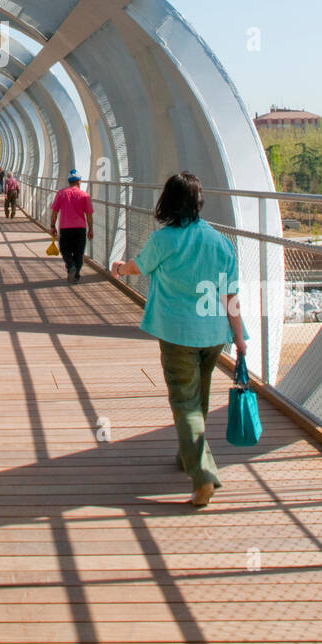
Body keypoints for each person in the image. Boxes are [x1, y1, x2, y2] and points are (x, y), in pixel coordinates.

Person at [111, 171, 247, 509]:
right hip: (214, 334)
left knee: (184, 402)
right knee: (198, 397)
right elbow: (231, 295)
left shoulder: (164, 240)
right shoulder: (220, 242)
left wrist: (117, 268)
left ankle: (202, 476)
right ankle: (187, 455)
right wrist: (239, 336)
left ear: (168, 203)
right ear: (198, 203)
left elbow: (138, 267)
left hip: (177, 333)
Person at [50, 168, 94, 284]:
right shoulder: (85, 195)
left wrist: (52, 226)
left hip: (65, 228)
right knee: (79, 253)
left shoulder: (61, 194)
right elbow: (89, 215)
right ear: (79, 181)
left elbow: (54, 212)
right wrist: (90, 229)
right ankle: (76, 275)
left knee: (65, 250)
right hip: (80, 228)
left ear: (69, 181)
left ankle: (70, 266)